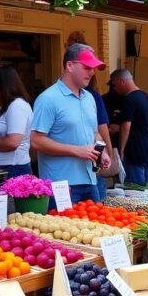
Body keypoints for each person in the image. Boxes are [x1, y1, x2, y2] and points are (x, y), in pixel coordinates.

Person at [30, 44, 111, 204]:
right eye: (87, 67)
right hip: (61, 185)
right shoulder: (48, 99)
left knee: (96, 228)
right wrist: (77, 151)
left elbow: (94, 132)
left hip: (90, 180)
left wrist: (102, 152)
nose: (92, 72)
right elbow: (36, 141)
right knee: (64, 229)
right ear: (69, 66)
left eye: (93, 68)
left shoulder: (89, 98)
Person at [110, 69, 148, 186]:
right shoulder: (145, 96)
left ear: (122, 81)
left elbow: (126, 126)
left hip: (135, 151)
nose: (114, 89)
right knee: (147, 188)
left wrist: (121, 150)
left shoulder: (129, 99)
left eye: (114, 85)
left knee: (135, 192)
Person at [87, 76, 115, 201]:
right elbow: (102, 126)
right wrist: (108, 149)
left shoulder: (91, 97)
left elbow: (99, 128)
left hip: (93, 156)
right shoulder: (94, 95)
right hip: (91, 158)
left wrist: (105, 151)